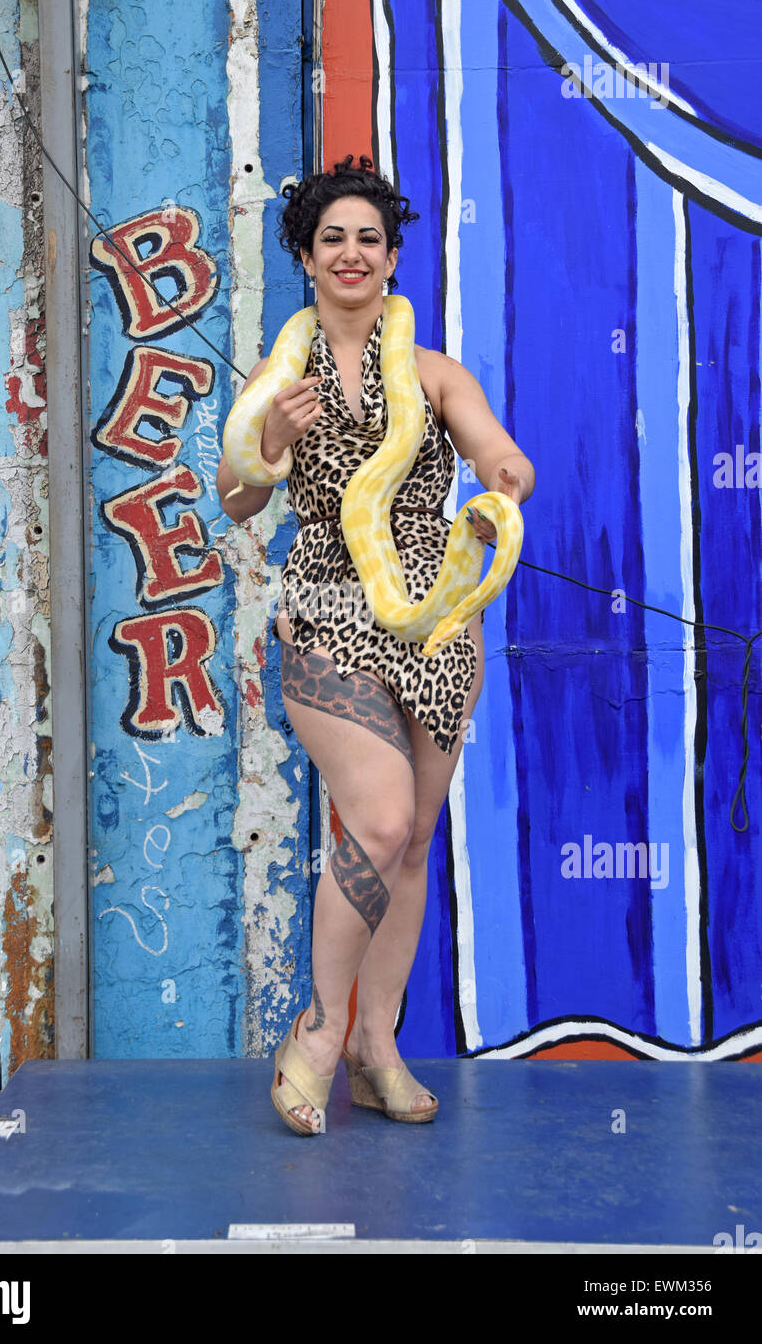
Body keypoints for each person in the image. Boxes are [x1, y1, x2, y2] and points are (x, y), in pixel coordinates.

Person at [216, 155, 534, 1134]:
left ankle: (375, 1044)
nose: (350, 253)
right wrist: (270, 444)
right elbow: (237, 497)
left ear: (391, 259)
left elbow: (493, 448)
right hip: (327, 607)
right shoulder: (279, 379)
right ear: (307, 260)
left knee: (413, 842)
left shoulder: (433, 374)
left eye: (368, 238)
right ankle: (316, 1029)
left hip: (434, 614)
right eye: (331, 238)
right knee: (381, 820)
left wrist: (501, 476)